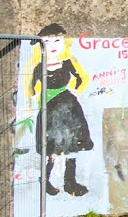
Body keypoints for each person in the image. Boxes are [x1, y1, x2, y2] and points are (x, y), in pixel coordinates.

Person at [25, 24, 93, 197]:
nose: (53, 45)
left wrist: (75, 90)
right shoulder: (39, 67)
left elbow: (82, 77)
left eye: (57, 40)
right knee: (54, 148)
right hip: (52, 110)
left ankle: (70, 182)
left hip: (69, 108)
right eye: (47, 41)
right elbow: (31, 87)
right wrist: (37, 99)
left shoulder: (67, 63)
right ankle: (46, 181)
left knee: (72, 146)